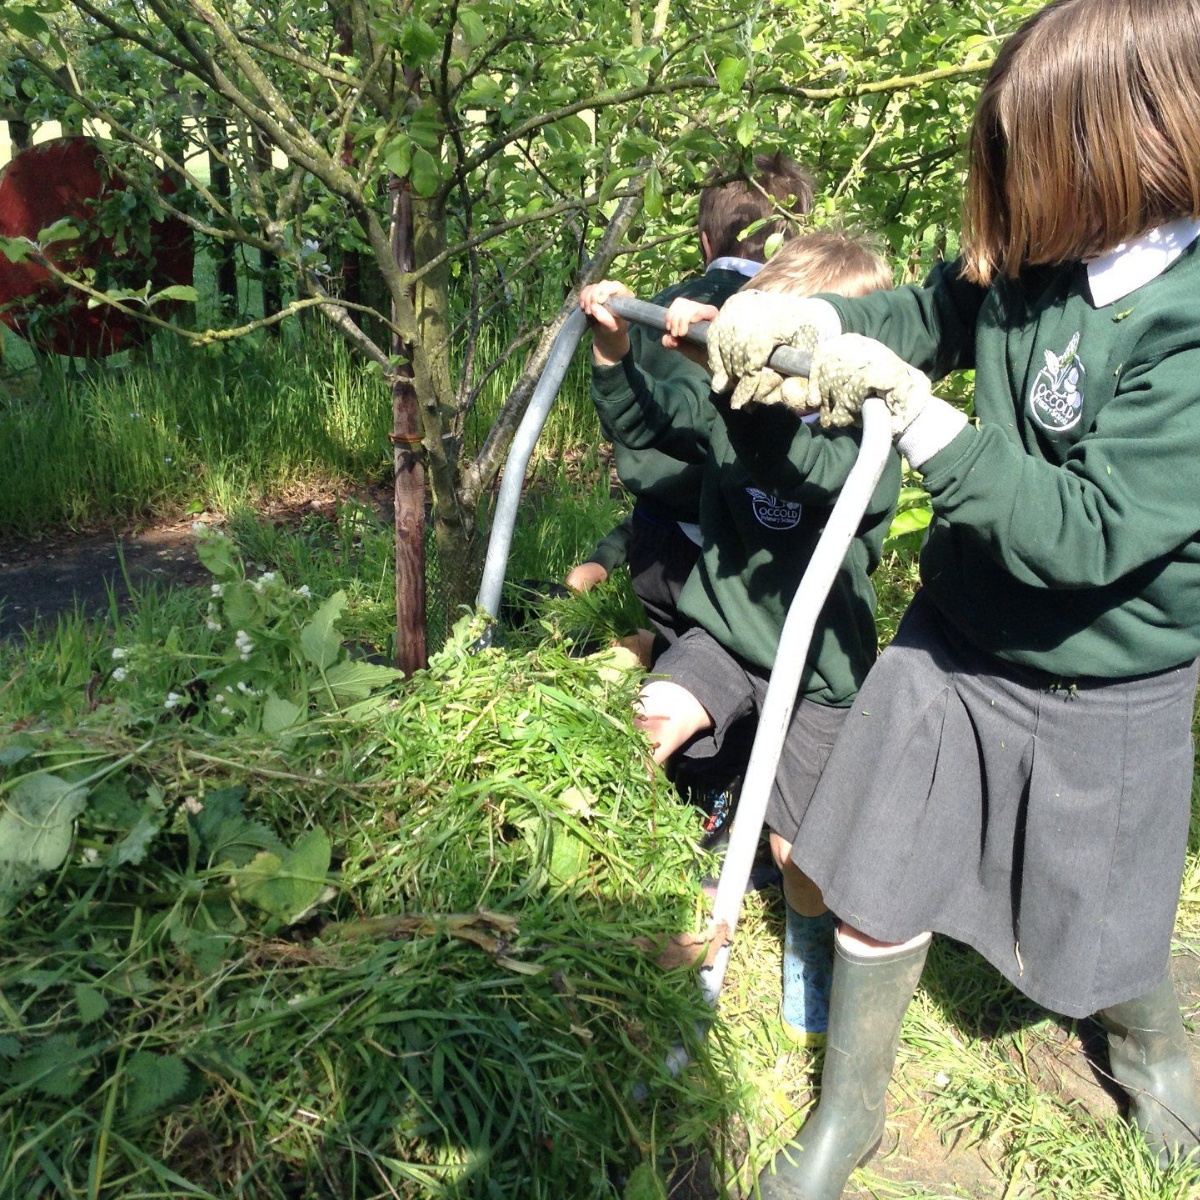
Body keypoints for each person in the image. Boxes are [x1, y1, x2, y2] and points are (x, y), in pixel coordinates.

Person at [704, 1, 1200, 1195]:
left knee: (1100, 913)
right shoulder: (1041, 254)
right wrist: (814, 320)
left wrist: (923, 422)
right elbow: (924, 312)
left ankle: (1154, 1054)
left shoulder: (1186, 322)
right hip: (958, 640)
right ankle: (851, 1117)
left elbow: (1087, 537)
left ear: (1121, 139)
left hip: (1104, 674)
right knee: (879, 856)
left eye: (1032, 148)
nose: (1011, 176)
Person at [583, 230, 901, 1043]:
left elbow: (808, 471)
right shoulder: (732, 410)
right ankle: (611, 887)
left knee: (800, 861)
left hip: (818, 666)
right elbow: (649, 423)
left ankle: (807, 948)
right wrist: (619, 354)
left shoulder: (868, 440)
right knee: (647, 721)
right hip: (725, 635)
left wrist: (726, 377)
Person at [567, 153, 815, 668]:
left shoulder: (657, 311)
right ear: (794, 247)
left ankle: (653, 650)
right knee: (729, 663)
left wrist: (612, 550)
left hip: (657, 548)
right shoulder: (795, 331)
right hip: (742, 548)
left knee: (692, 653)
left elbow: (648, 436)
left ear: (705, 241)